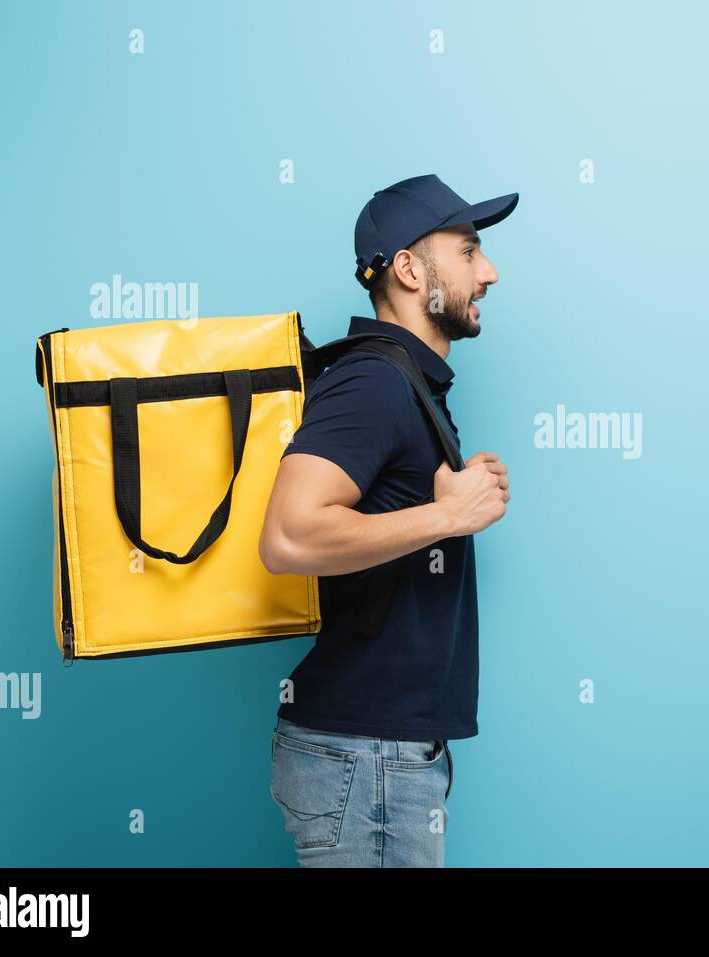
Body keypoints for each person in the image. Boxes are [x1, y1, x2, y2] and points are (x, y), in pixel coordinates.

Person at [258, 174, 516, 866]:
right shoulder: (373, 381)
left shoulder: (408, 383)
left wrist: (444, 511)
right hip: (365, 761)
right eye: (467, 251)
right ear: (408, 268)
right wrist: (445, 513)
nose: (488, 271)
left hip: (381, 758)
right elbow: (286, 536)